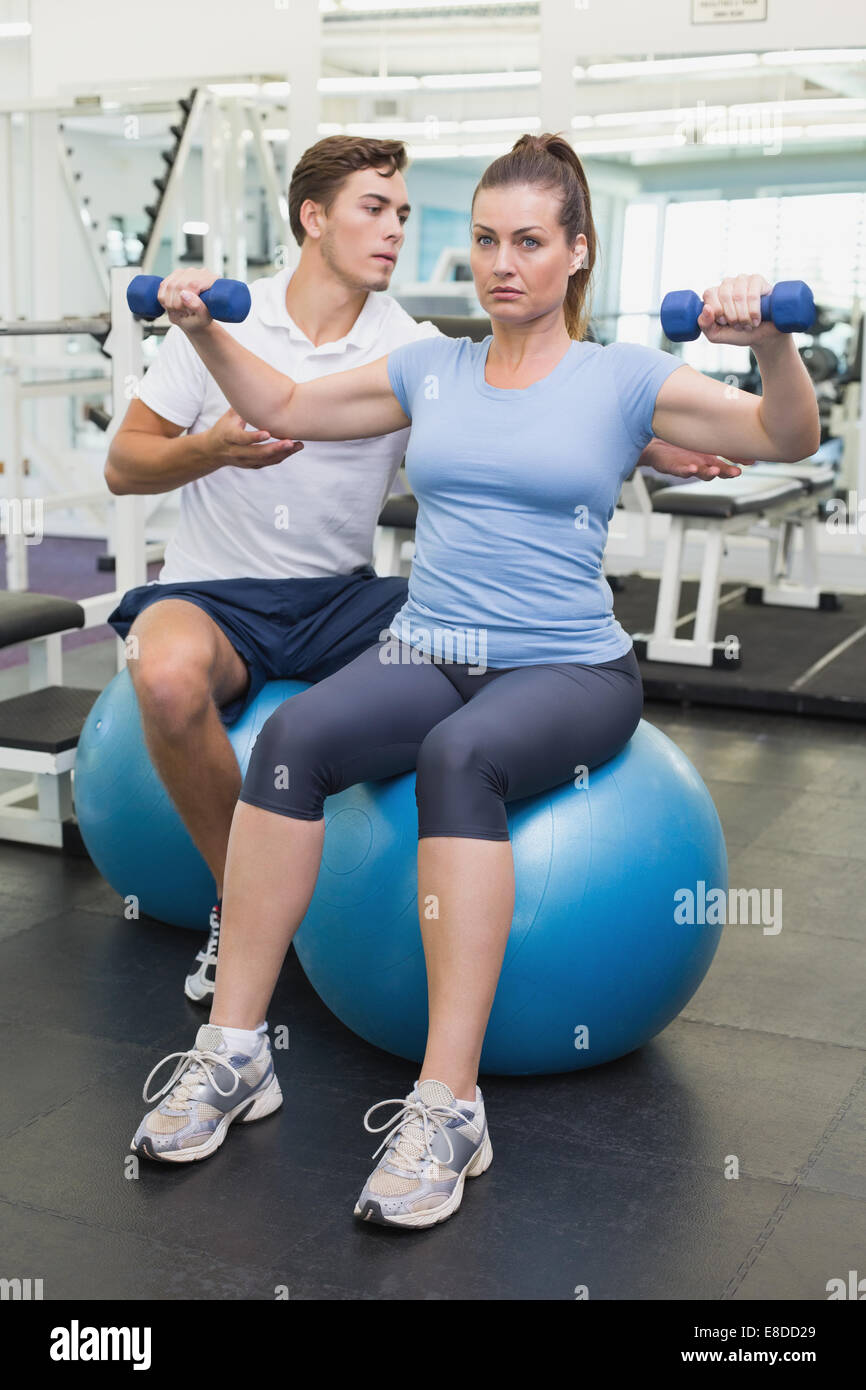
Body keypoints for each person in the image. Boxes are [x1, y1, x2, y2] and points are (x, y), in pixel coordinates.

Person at [130, 131, 819, 1230]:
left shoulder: (624, 379)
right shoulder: (431, 366)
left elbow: (782, 433)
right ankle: (235, 1050)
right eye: (486, 240)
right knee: (292, 739)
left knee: (462, 759)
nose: (503, 263)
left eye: (530, 242)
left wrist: (770, 342)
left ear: (575, 254)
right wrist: (204, 328)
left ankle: (448, 1104)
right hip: (430, 642)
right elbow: (291, 406)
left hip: (568, 664)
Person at [106, 134, 742, 1007]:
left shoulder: (416, 345)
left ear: (574, 251)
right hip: (215, 590)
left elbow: (504, 441)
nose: (396, 230)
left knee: (459, 666)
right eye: (376, 209)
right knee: (171, 675)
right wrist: (209, 445)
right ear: (313, 217)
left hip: (340, 598)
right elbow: (125, 465)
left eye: (404, 213)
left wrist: (639, 435)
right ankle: (241, 909)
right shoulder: (222, 317)